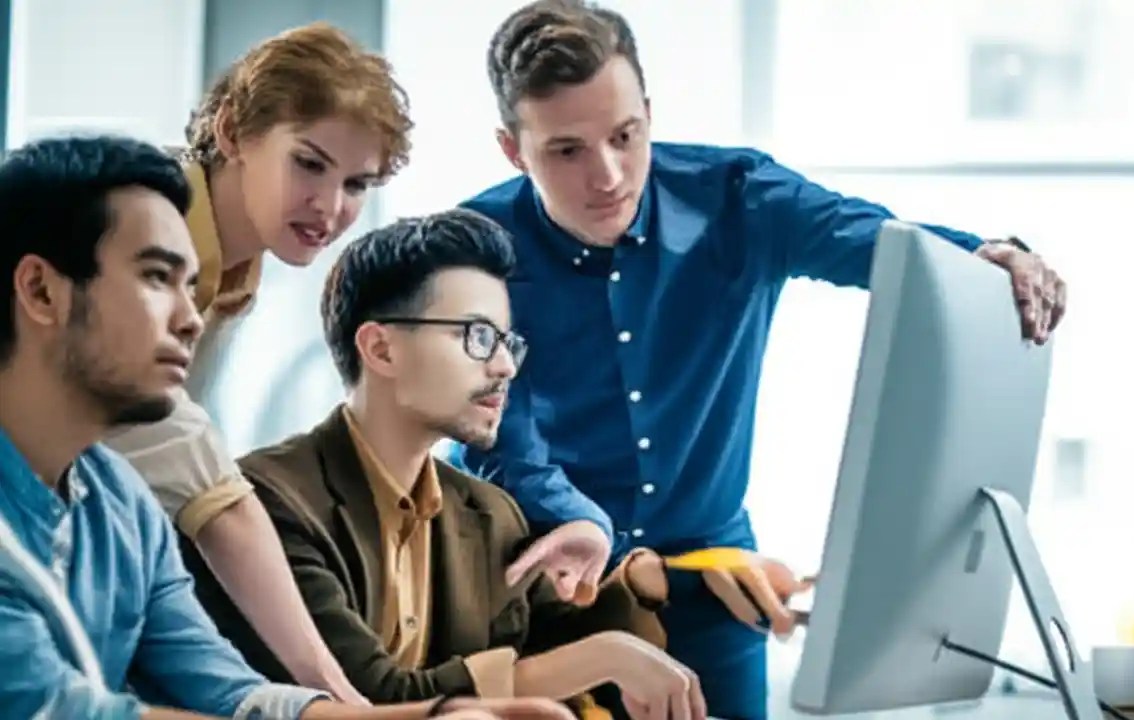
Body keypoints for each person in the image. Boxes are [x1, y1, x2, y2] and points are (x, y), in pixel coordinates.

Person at [451, 1, 1072, 717]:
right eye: (567, 151)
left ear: (649, 111)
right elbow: (502, 440)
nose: (610, 174)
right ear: (511, 149)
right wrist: (592, 532)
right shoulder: (474, 249)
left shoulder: (739, 199)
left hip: (721, 584)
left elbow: (879, 244)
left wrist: (986, 255)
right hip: (554, 585)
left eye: (626, 135)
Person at [0, 135, 579, 720]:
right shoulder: (275, 493)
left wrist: (433, 717)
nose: (190, 319)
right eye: (156, 278)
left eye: (189, 284)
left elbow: (232, 693)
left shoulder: (122, 506)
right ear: (41, 290)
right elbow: (63, 712)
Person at [185, 210, 708, 720]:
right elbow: (373, 698)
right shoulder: (267, 502)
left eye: (507, 342)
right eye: (477, 336)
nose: (504, 366)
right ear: (381, 349)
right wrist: (606, 656)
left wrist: (644, 580)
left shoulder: (488, 511)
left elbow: (561, 638)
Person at [102, 22, 412, 704]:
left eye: (356, 183)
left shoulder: (234, 271)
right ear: (233, 131)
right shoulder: (140, 226)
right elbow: (206, 487)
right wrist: (343, 699)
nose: (331, 207)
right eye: (309, 163)